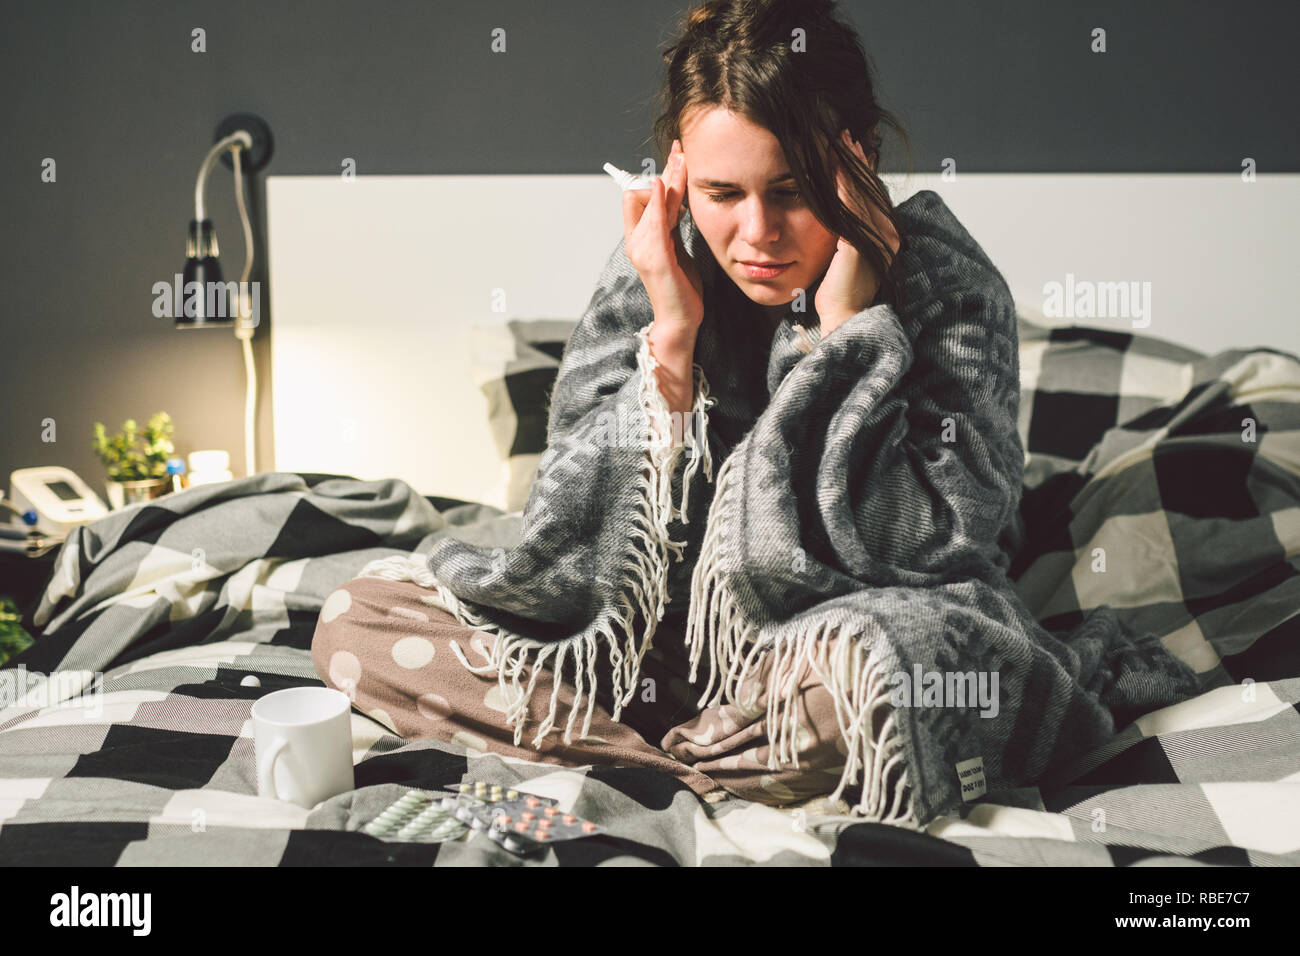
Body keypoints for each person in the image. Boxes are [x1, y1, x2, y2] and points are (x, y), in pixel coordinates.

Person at [312, 0, 944, 809]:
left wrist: (846, 333)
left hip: (806, 659)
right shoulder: (649, 271)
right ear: (679, 175)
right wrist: (672, 339)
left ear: (861, 163)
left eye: (793, 191)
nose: (758, 232)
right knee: (355, 619)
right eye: (722, 192)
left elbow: (931, 548)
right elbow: (562, 527)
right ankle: (672, 776)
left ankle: (631, 756)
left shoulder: (944, 284)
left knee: (897, 679)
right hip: (640, 652)